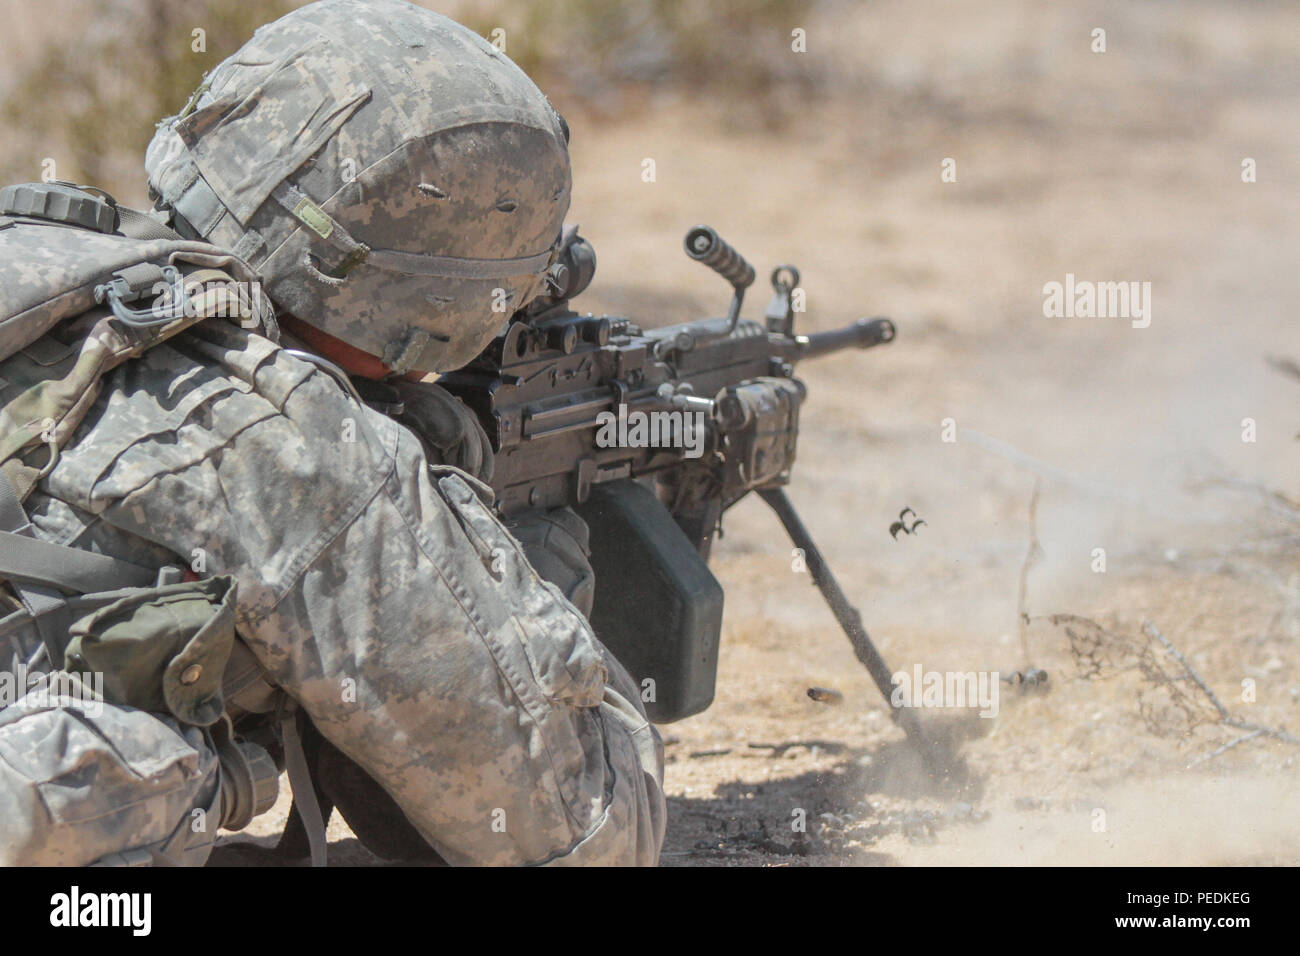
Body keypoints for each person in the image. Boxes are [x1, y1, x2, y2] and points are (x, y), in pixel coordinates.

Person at [0, 0, 665, 866]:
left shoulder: (39, 264)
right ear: (439, 304)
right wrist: (517, 578)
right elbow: (586, 829)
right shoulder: (291, 448)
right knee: (123, 781)